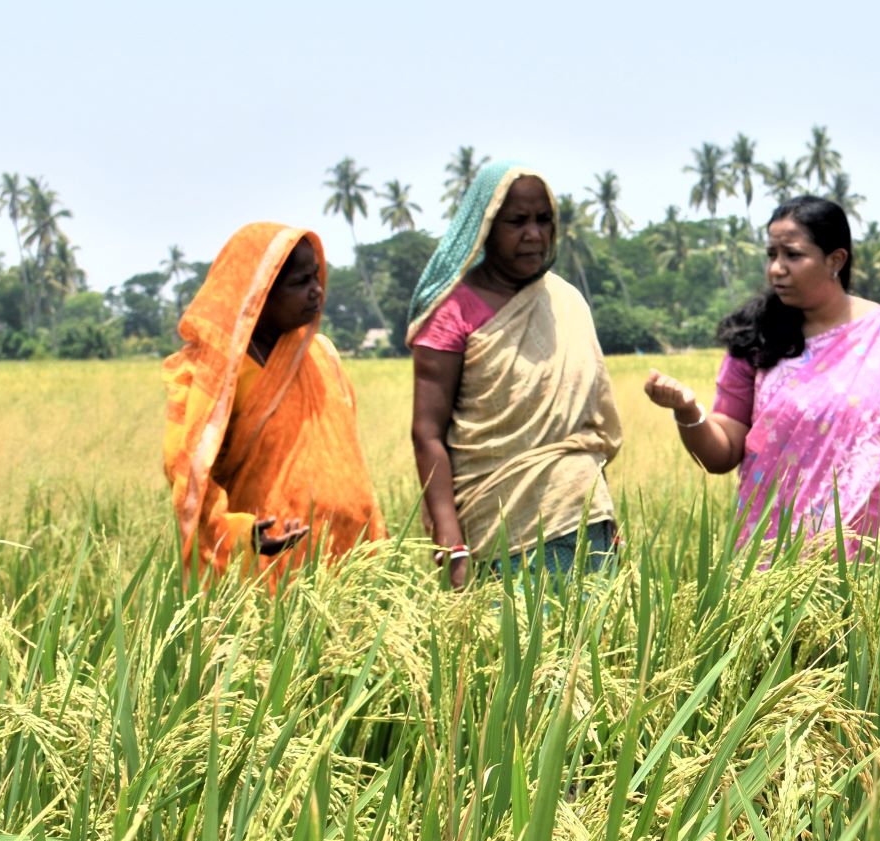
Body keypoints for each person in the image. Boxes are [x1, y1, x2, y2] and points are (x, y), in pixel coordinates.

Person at [642, 195, 880, 565]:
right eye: (771, 255)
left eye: (792, 255)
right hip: (775, 561)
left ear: (835, 260)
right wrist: (686, 412)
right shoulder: (755, 340)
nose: (776, 269)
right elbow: (721, 454)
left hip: (875, 555)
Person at [408, 160, 622, 590]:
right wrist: (452, 546)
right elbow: (427, 432)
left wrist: (605, 517)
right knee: (509, 651)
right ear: (485, 226)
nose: (534, 234)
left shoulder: (566, 301)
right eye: (517, 222)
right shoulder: (452, 311)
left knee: (593, 651)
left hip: (583, 516)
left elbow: (586, 428)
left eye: (544, 220)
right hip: (497, 522)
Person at [162, 223, 385, 581]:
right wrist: (236, 532)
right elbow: (189, 474)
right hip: (264, 565)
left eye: (316, 277)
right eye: (300, 282)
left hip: (346, 560)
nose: (316, 291)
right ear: (258, 294)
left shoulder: (322, 355)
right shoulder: (214, 373)